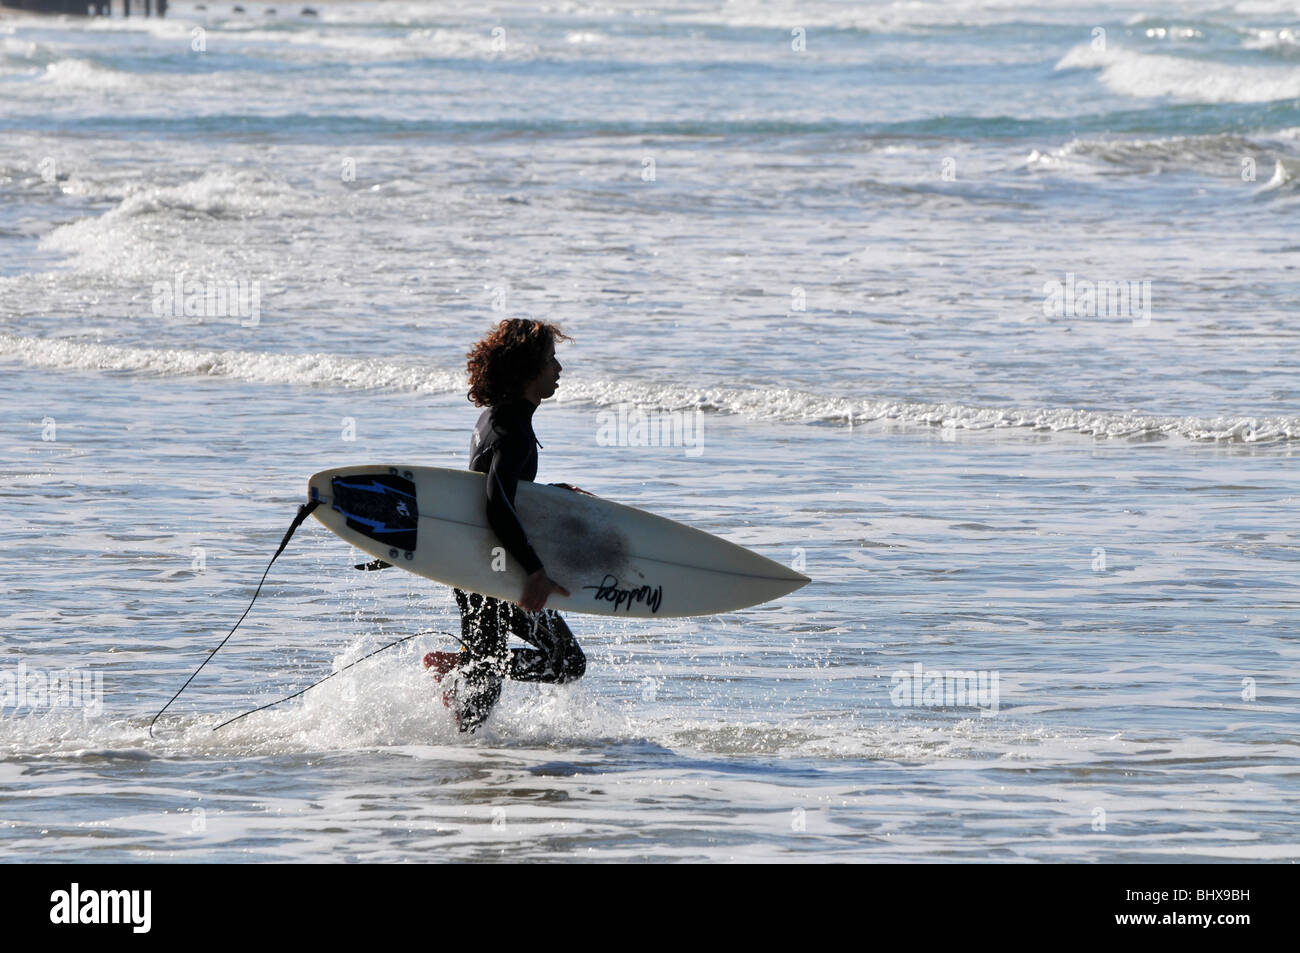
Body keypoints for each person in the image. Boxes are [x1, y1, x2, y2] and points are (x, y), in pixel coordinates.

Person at [423, 318, 587, 732]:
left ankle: (463, 679)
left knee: (488, 685)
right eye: (550, 359)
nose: (559, 369)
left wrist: (550, 492)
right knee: (562, 663)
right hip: (492, 569)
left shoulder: (499, 418)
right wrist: (534, 571)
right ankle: (470, 769)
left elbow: (497, 490)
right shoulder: (513, 429)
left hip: (481, 565)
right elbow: (496, 505)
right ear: (528, 369)